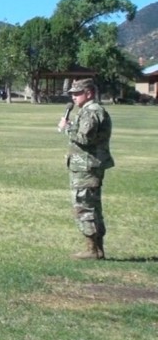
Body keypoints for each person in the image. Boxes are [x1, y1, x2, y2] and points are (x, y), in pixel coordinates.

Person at [58, 78, 114, 259]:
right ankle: (97, 249)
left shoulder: (92, 112)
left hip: (87, 167)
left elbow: (85, 138)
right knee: (92, 206)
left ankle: (92, 250)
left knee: (84, 206)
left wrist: (67, 128)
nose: (73, 97)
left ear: (89, 93)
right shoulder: (89, 111)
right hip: (87, 165)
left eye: (77, 93)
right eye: (72, 94)